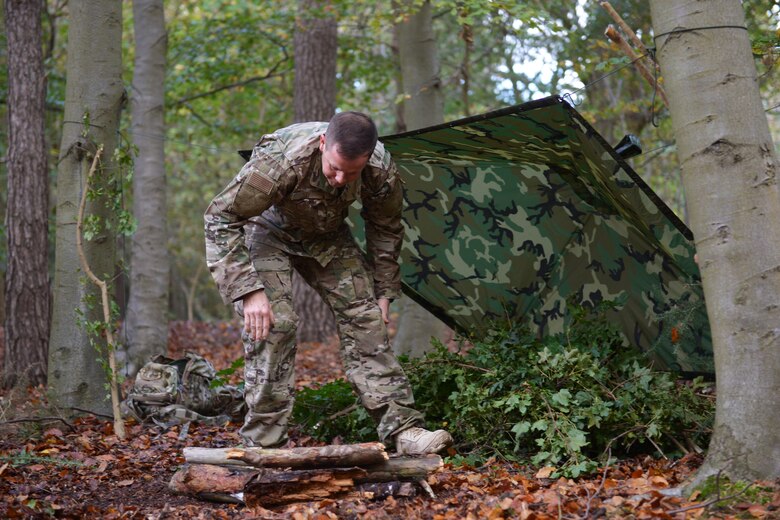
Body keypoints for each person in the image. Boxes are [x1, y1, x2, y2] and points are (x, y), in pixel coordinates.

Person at [204, 111, 452, 455]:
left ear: (367, 158)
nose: (339, 179)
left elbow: (385, 228)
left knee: (366, 318)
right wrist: (248, 290)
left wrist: (383, 292)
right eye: (334, 168)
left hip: (328, 237)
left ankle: (403, 430)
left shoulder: (381, 168)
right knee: (276, 324)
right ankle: (263, 442)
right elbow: (220, 217)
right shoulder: (282, 159)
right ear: (323, 144)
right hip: (268, 232)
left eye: (350, 173)